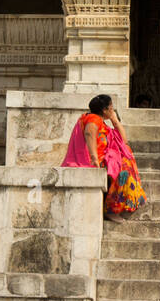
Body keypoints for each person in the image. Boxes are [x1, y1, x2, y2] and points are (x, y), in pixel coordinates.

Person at [60, 94, 146, 223]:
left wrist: (115, 120)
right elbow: (89, 133)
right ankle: (111, 209)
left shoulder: (100, 121)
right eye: (111, 107)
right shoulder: (93, 119)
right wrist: (94, 158)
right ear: (104, 110)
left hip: (104, 158)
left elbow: (124, 141)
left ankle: (113, 207)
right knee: (123, 171)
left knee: (126, 157)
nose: (112, 109)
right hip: (92, 160)